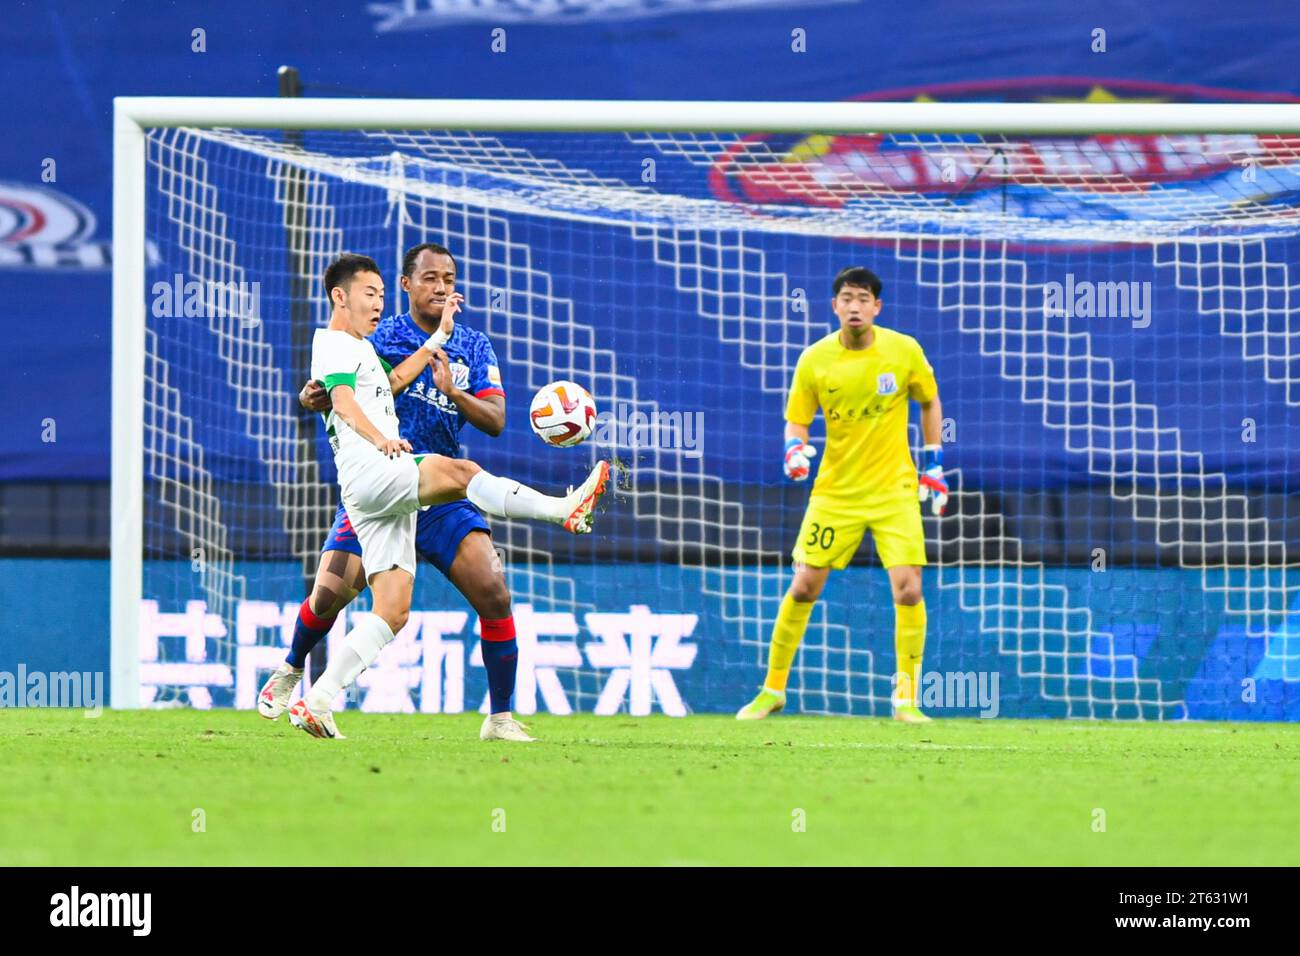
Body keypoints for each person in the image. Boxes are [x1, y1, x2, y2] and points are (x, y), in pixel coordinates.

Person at [277, 252, 608, 740]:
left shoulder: (470, 344)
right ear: (408, 284)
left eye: (449, 279)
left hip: (436, 493)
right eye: (429, 278)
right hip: (389, 471)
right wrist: (320, 401)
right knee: (328, 596)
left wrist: (451, 387)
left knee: (409, 608)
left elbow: (494, 420)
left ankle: (323, 699)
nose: (440, 286)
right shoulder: (373, 335)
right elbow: (343, 393)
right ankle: (288, 669)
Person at [736, 266, 948, 724]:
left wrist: (934, 462)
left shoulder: (903, 351)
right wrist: (794, 448)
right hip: (836, 493)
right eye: (847, 298)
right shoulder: (814, 360)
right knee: (805, 584)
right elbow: (797, 419)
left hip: (894, 489)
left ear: (877, 307)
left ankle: (907, 701)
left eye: (863, 298)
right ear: (835, 306)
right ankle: (771, 690)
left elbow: (929, 400)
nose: (855, 306)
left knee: (909, 588)